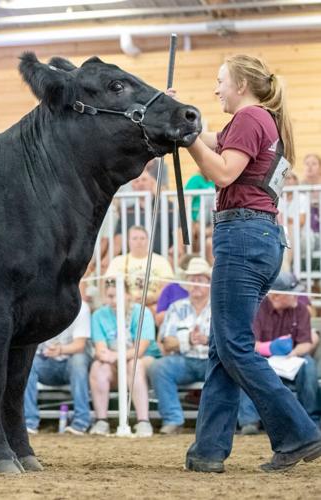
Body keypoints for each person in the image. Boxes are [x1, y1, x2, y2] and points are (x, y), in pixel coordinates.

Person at [170, 54, 321, 473]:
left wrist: (188, 140)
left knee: (234, 346)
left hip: (243, 235)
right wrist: (179, 121)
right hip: (258, 237)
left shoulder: (251, 117)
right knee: (224, 347)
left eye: (219, 81)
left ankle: (299, 432)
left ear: (240, 85)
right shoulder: (259, 121)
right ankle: (208, 452)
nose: (216, 88)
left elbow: (222, 172)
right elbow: (211, 140)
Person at [238, 272, 320, 433]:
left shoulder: (301, 309)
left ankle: (313, 420)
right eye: (292, 292)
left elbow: (305, 343)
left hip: (291, 360)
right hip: (262, 359)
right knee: (245, 365)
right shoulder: (257, 308)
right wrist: (270, 348)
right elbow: (249, 344)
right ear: (275, 296)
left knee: (309, 365)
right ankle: (249, 421)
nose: (298, 295)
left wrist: (294, 353)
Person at [148, 258, 213, 435]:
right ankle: (173, 419)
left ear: (209, 282)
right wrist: (189, 340)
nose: (196, 284)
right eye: (192, 279)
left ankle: (245, 421)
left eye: (200, 279)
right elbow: (167, 342)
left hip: (213, 360)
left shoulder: (219, 306)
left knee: (237, 366)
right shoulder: (176, 308)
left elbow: (229, 339)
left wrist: (207, 339)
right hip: (185, 360)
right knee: (159, 367)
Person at [88, 278, 160, 438]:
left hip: (144, 359)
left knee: (134, 364)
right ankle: (101, 420)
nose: (111, 300)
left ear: (128, 295)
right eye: (108, 296)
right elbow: (100, 350)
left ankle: (143, 421)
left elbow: (140, 350)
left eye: (115, 296)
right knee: (97, 367)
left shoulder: (143, 312)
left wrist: (114, 355)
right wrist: (108, 355)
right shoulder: (99, 315)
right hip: (113, 361)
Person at [23, 294, 92, 435]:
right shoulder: (37, 307)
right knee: (26, 365)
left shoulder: (82, 307)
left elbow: (80, 345)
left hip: (71, 362)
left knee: (78, 361)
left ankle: (81, 421)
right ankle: (28, 422)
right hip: (46, 361)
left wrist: (60, 349)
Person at [106, 225, 175, 308]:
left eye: (142, 238)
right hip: (124, 305)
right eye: (135, 238)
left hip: (155, 304)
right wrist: (128, 298)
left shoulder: (161, 261)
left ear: (148, 240)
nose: (139, 241)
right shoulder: (117, 261)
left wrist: (152, 298)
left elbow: (167, 287)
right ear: (128, 241)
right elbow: (110, 285)